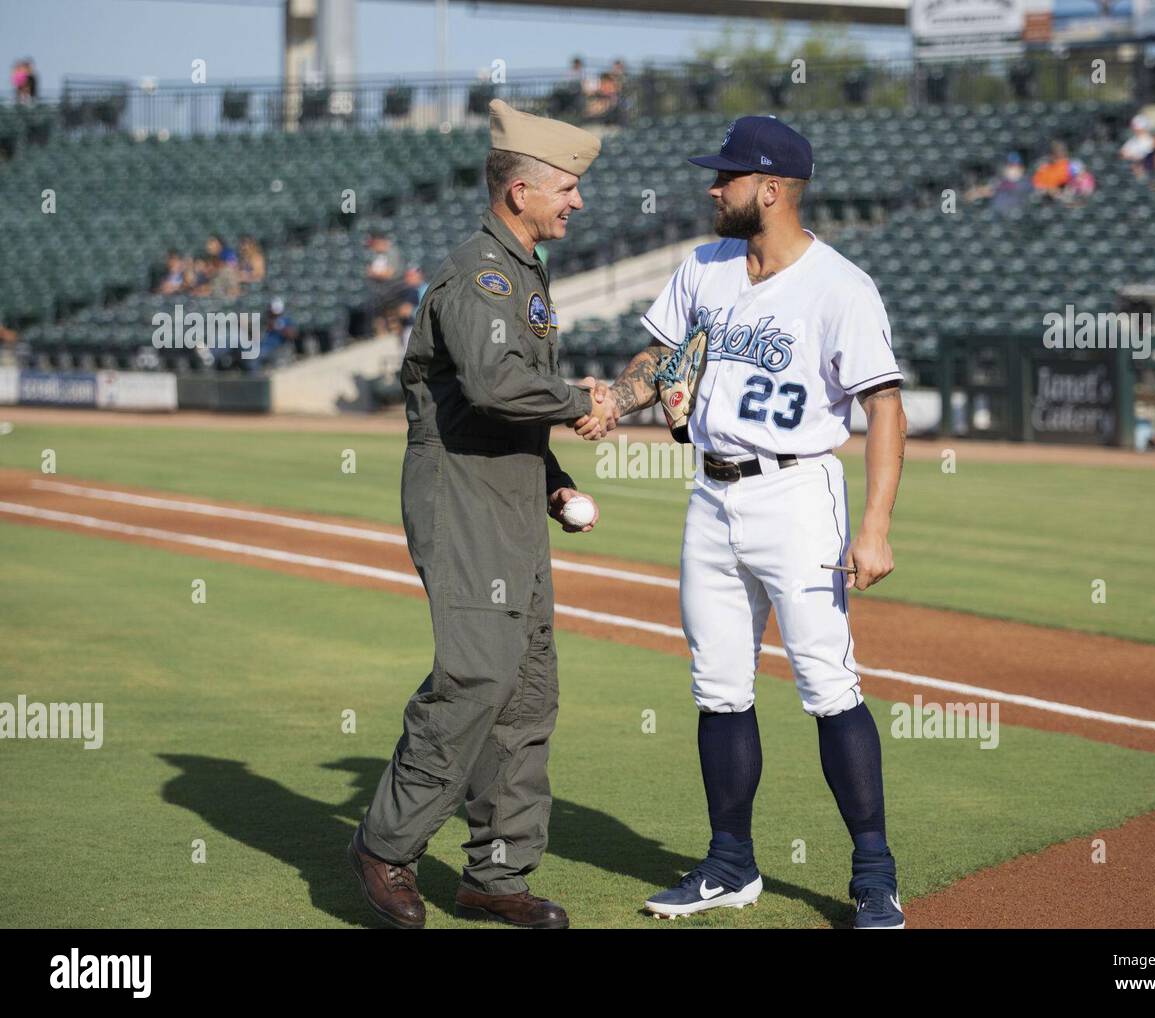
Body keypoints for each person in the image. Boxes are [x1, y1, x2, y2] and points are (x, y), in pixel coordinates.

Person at [580, 115, 909, 928]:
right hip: (710, 495)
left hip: (797, 496)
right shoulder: (706, 266)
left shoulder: (840, 286)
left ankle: (874, 874)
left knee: (828, 686)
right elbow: (658, 357)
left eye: (726, 177)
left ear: (769, 189)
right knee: (719, 689)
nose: (711, 187)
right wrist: (619, 401)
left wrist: (875, 527)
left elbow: (884, 406)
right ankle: (730, 864)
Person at [349, 98, 614, 931]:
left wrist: (554, 481)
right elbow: (498, 385)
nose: (577, 202)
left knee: (527, 697)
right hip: (462, 503)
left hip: (510, 501)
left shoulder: (526, 270)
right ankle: (386, 847)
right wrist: (583, 401)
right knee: (475, 678)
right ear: (519, 191)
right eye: (565, 188)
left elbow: (502, 410)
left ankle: (496, 877)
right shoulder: (481, 272)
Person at [966, 152, 1032, 215]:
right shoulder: (1000, 180)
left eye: (1017, 167)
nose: (1013, 170)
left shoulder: (1027, 183)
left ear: (1022, 169)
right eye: (1010, 167)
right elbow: (988, 190)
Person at [1120, 115, 1155, 180]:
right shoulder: (1132, 139)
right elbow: (1122, 154)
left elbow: (1143, 158)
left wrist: (1131, 156)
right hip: (1130, 170)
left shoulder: (1149, 140)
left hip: (1144, 171)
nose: (1134, 129)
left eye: (1137, 127)